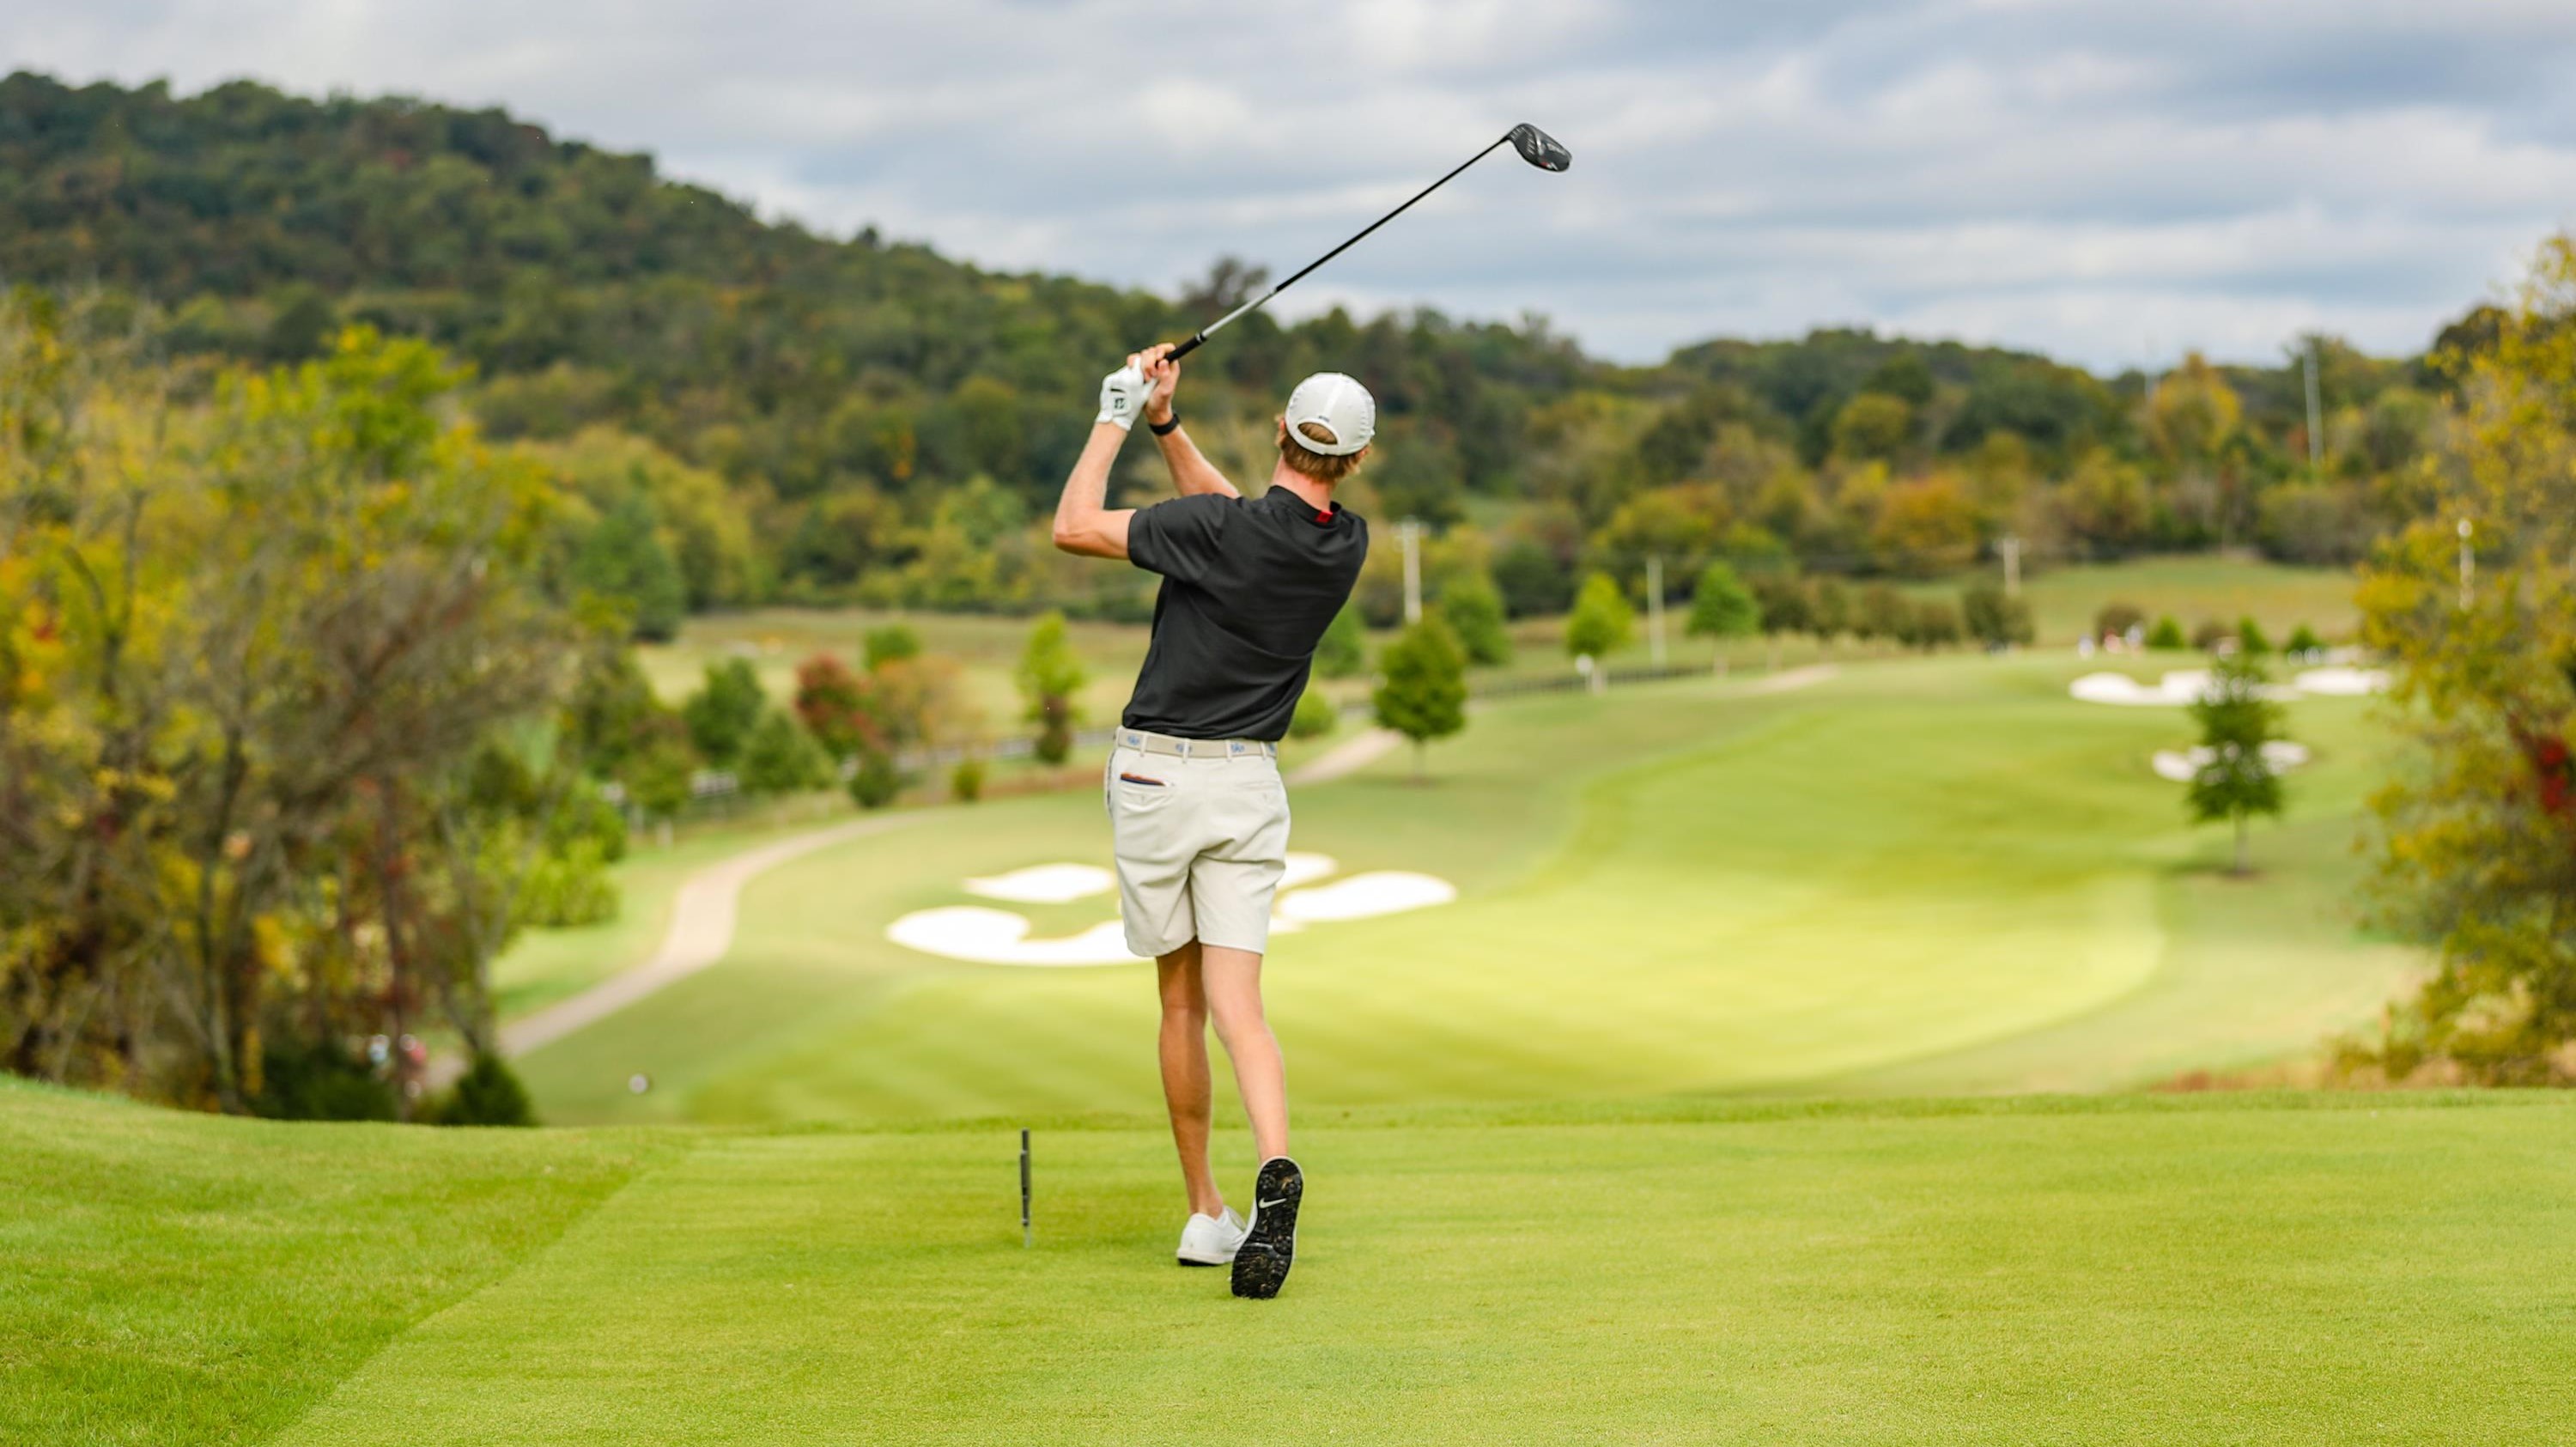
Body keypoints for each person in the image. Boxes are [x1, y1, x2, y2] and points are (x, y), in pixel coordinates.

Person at [1051, 342, 1373, 1299]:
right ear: (1353, 461)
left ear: (1278, 427)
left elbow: (1073, 526)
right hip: (1248, 786)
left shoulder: (1215, 529)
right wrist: (1166, 424)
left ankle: (1204, 1207)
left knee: (1180, 1004)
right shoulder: (1340, 544)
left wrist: (1113, 411)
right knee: (1244, 1010)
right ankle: (1276, 1162)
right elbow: (1248, 517)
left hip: (1157, 776)